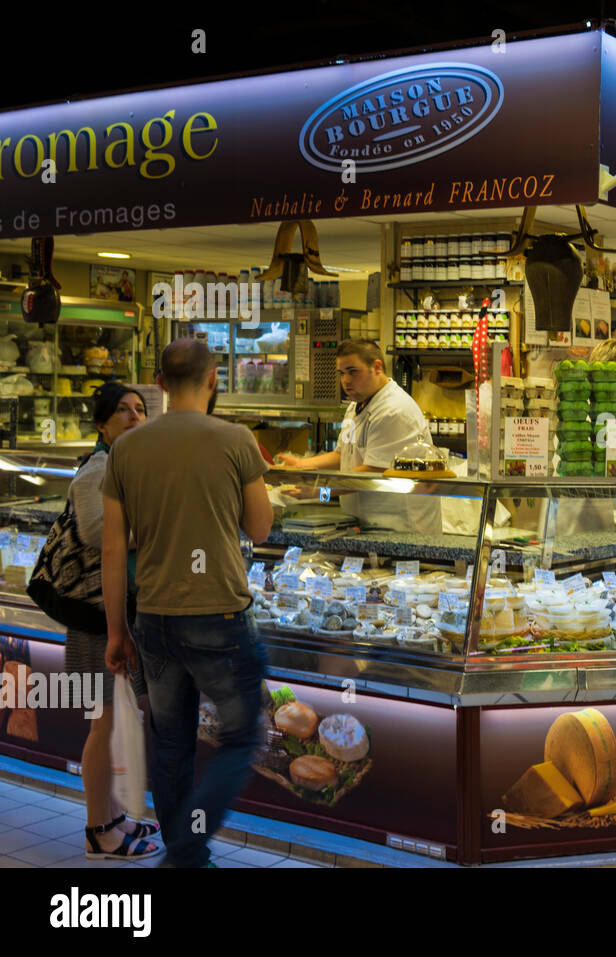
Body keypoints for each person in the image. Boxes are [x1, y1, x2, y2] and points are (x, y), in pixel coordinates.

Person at [103, 338, 274, 868]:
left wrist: (117, 632)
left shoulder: (127, 447)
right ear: (214, 379)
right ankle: (186, 851)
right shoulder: (236, 439)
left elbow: (112, 548)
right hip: (220, 613)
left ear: (158, 385)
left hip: (153, 617)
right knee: (244, 736)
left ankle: (185, 856)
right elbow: (260, 527)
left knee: (171, 747)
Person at [64, 384, 160, 859]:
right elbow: (98, 532)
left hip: (121, 614)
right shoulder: (96, 470)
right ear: (102, 425)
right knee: (101, 724)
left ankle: (114, 817)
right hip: (93, 618)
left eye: (140, 409)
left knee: (119, 718)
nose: (134, 416)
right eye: (122, 411)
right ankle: (98, 831)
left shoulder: (130, 467)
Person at [278, 340, 435, 530]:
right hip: (365, 523)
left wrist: (319, 492)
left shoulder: (393, 411)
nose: (345, 380)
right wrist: (301, 465)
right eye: (341, 373)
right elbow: (342, 454)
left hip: (399, 526)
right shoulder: (355, 406)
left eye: (353, 371)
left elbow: (371, 472)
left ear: (376, 367)